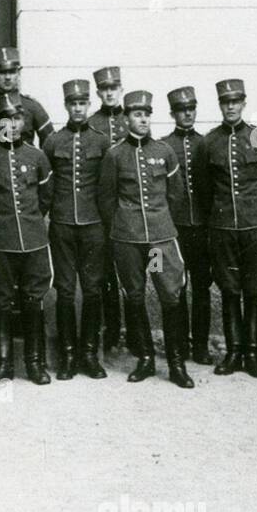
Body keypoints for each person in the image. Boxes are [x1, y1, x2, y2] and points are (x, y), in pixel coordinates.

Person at [97, 91, 193, 388]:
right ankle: (146, 359)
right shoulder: (115, 155)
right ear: (126, 119)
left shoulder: (164, 151)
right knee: (135, 296)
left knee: (168, 294)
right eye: (137, 115)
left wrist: (160, 222)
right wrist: (123, 227)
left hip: (158, 241)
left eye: (146, 115)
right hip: (129, 240)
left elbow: (176, 195)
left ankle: (176, 363)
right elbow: (106, 198)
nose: (143, 120)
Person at [195, 78, 257, 377]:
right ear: (220, 105)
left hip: (255, 226)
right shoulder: (209, 142)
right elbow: (204, 189)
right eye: (225, 102)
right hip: (222, 227)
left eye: (235, 101)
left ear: (244, 104)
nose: (230, 106)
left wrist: (255, 208)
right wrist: (220, 215)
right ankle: (233, 353)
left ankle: (253, 355)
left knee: (253, 290)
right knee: (229, 289)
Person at [0, 98, 53, 385]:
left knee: (33, 299)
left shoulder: (37, 157)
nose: (11, 126)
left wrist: (34, 222)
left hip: (34, 240)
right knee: (1, 301)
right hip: (1, 240)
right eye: (5, 121)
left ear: (24, 123)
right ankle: (3, 363)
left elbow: (46, 196)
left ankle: (34, 363)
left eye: (16, 120)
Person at [42, 79, 109, 379]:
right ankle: (68, 355)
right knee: (65, 290)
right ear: (66, 106)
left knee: (93, 289)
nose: (78, 108)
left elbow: (108, 186)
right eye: (73, 104)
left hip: (94, 224)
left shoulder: (102, 140)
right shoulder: (53, 142)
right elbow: (47, 185)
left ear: (89, 105)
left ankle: (90, 353)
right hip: (63, 224)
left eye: (83, 103)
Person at [161, 86, 213, 365]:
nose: (188, 114)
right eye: (182, 110)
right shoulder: (164, 145)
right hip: (175, 229)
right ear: (173, 114)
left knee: (202, 286)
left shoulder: (206, 143)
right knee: (175, 286)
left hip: (202, 227)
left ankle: (201, 345)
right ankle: (179, 343)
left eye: (191, 109)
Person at [89, 65, 128, 355]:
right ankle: (112, 330)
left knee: (147, 267)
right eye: (105, 89)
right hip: (103, 212)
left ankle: (140, 332)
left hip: (136, 212)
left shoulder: (135, 118)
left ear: (121, 90)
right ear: (99, 93)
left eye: (114, 88)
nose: (110, 92)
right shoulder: (92, 125)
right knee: (106, 274)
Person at [0, 47, 54, 146]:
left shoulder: (32, 106)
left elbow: (50, 143)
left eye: (12, 72)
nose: (7, 77)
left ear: (18, 73)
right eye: (2, 72)